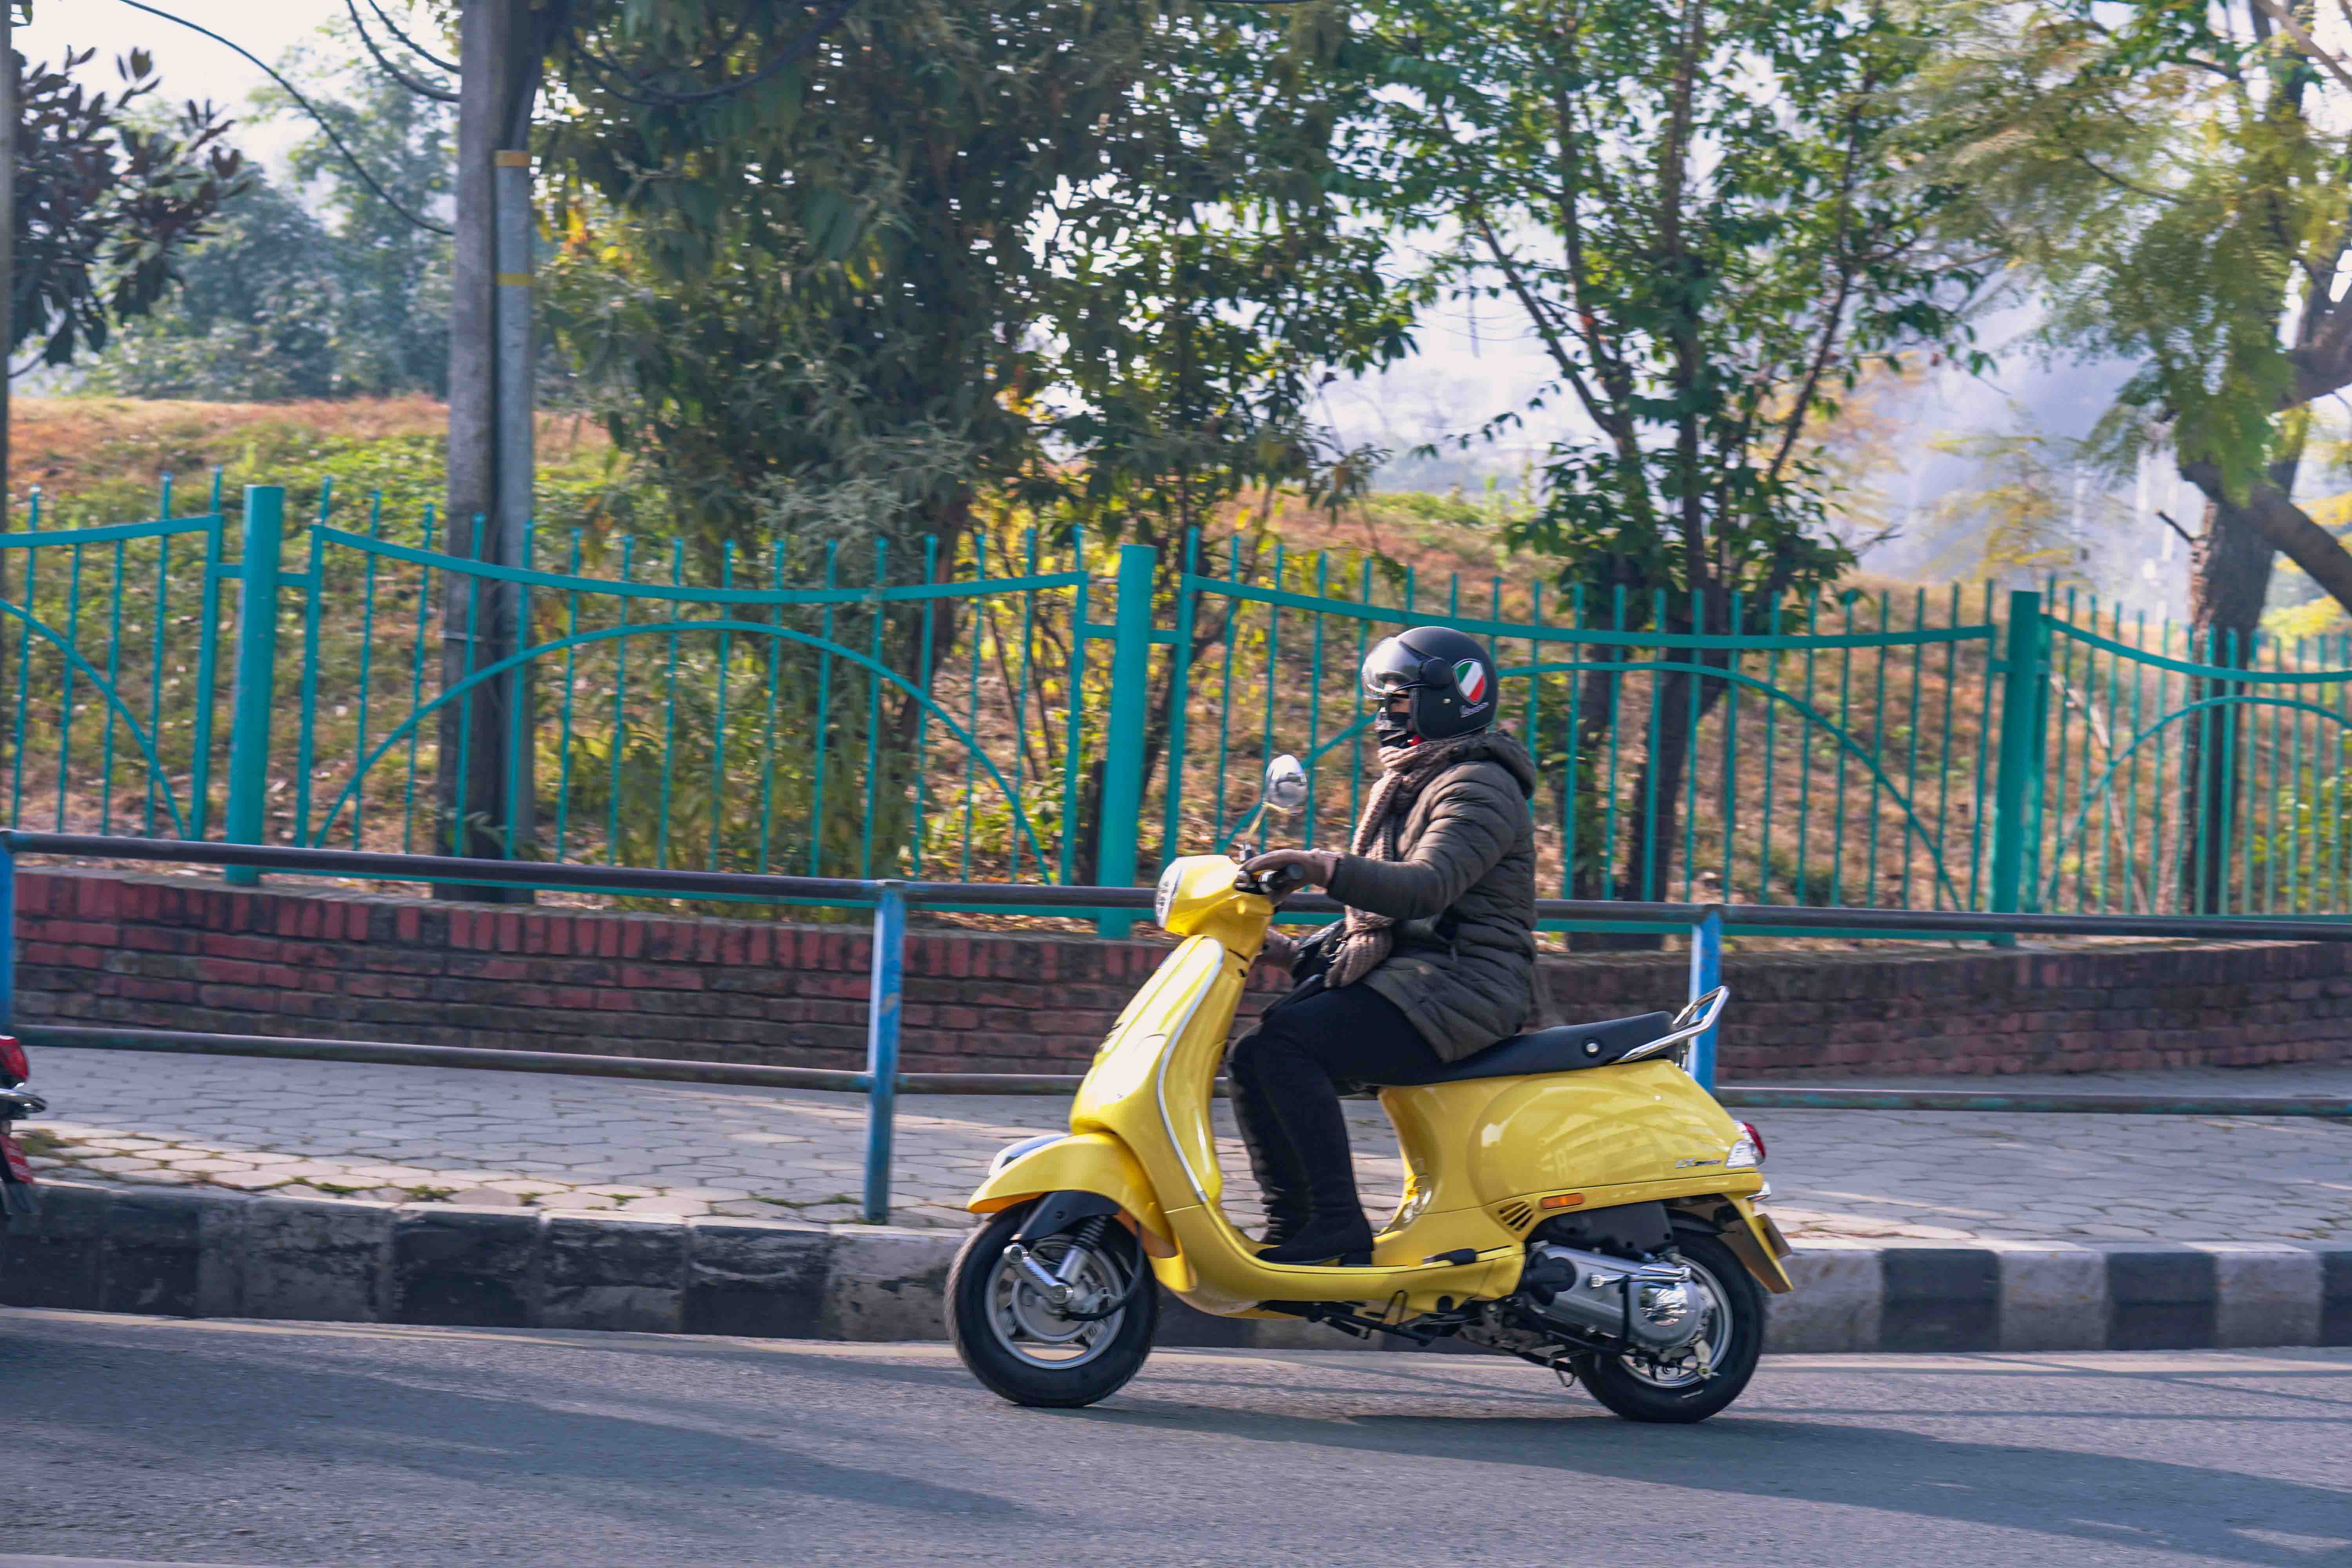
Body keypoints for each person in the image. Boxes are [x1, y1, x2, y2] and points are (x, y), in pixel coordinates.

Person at [1233, 625, 1539, 1265]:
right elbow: (1376, 925)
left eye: (1398, 700)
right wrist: (1286, 951)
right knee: (1255, 1054)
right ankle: (1294, 1227)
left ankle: (1338, 1227)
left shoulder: (1479, 786)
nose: (1385, 716)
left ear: (1447, 699)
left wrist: (1322, 867)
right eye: (1382, 702)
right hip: (1424, 977)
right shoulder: (1418, 783)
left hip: (1466, 987)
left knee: (1287, 1046)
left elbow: (1427, 888)